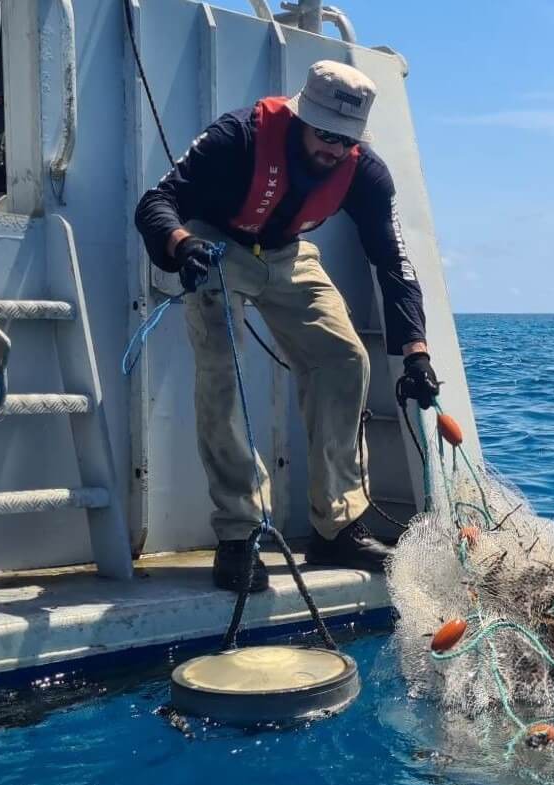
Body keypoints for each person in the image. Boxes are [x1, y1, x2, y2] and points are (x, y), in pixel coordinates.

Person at [134, 60, 440, 593]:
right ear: (301, 117)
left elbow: (393, 263)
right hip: (215, 246)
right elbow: (156, 202)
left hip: (287, 254)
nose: (334, 148)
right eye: (325, 133)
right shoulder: (238, 136)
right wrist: (181, 245)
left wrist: (416, 353)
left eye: (346, 139)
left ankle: (337, 525)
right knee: (223, 369)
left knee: (345, 358)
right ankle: (240, 534)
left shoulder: (366, 174)